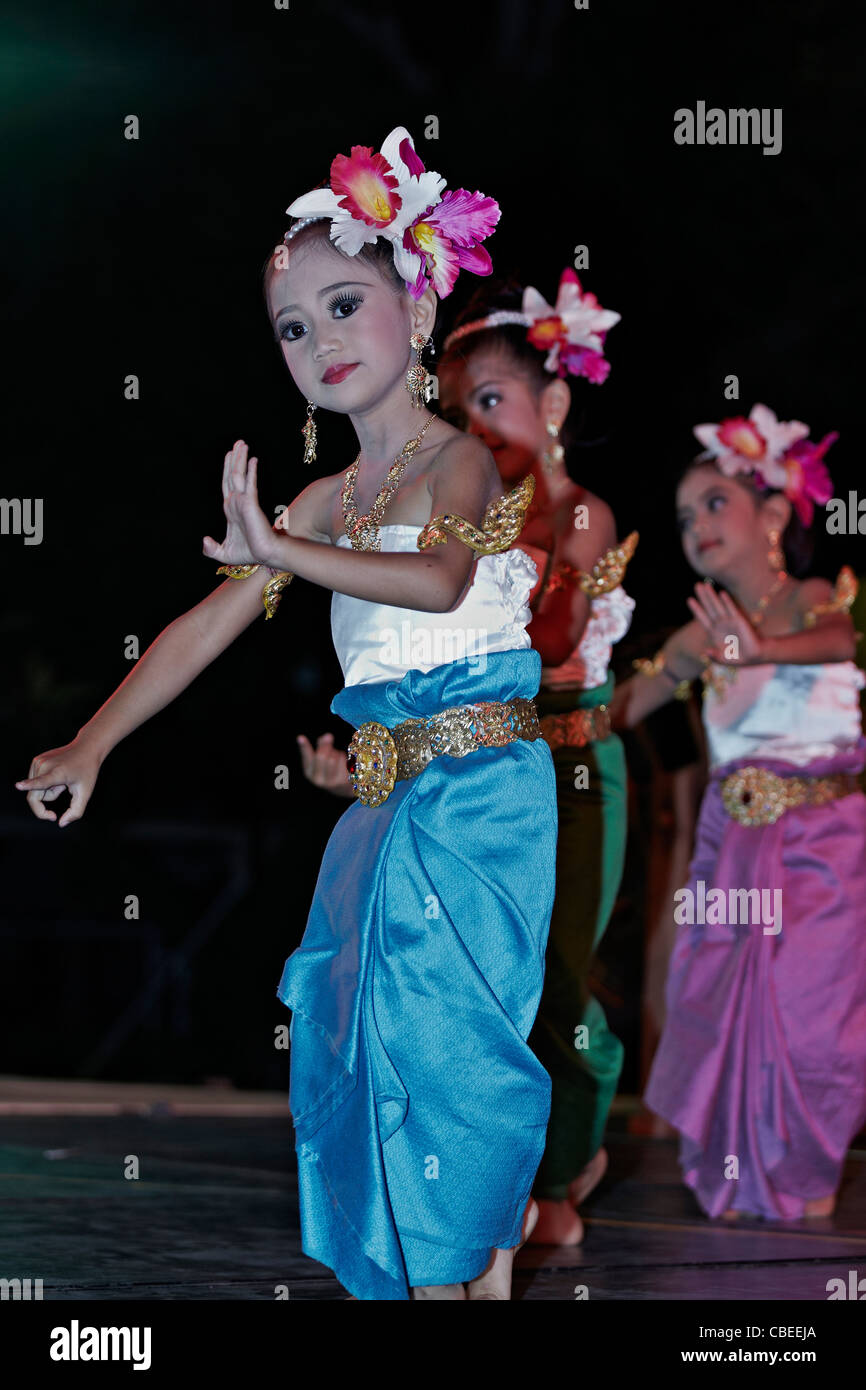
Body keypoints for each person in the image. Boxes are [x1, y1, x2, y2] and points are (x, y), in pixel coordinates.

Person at [16, 125, 558, 1300]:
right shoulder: (319, 496)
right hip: (381, 800)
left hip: (481, 796)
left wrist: (290, 552)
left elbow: (442, 583)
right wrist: (92, 740)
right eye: (293, 325)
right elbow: (206, 627)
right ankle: (448, 1273)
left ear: (416, 316)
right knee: (360, 1036)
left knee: (449, 1041)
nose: (318, 340)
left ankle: (482, 1262)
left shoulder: (454, 463)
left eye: (344, 305)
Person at [300, 266, 637, 1245]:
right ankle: (476, 1197)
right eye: (458, 407)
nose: (472, 424)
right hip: (467, 764)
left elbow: (553, 625)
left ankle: (564, 1172)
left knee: (557, 983)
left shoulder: (571, 517)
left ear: (555, 401)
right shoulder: (460, 491)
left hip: (568, 772)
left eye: (491, 401)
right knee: (460, 982)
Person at [612, 403, 866, 1221]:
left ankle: (808, 1183)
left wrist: (760, 652)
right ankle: (738, 1183)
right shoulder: (696, 636)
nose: (696, 527)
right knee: (719, 1010)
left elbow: (837, 643)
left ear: (777, 513)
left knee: (812, 1021)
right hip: (731, 851)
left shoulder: (815, 601)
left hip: (825, 849)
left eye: (715, 503)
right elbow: (618, 707)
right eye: (685, 517)